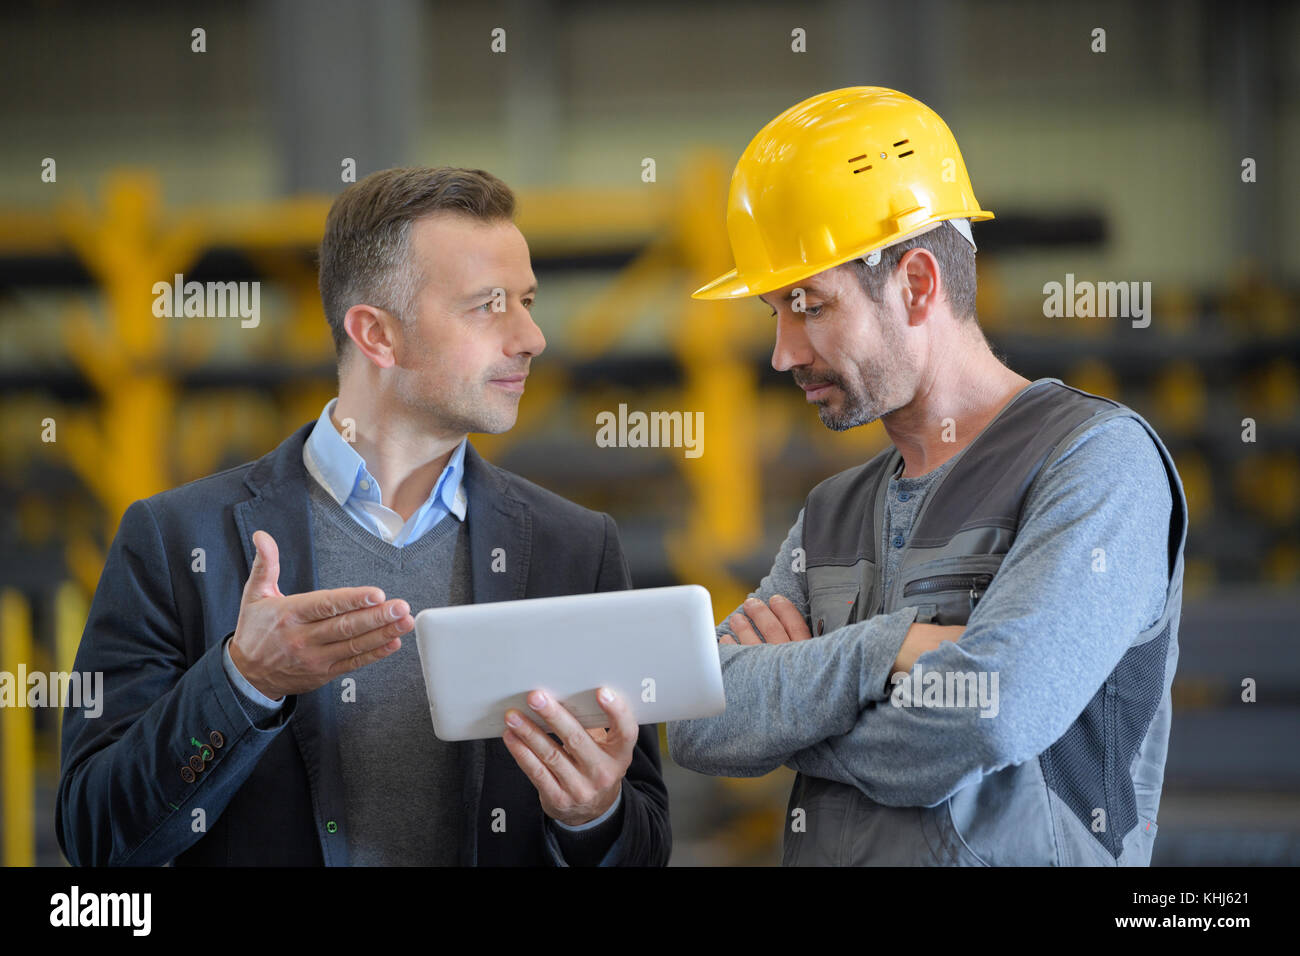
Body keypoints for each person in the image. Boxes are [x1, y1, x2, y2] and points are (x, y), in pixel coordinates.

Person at [57, 166, 671, 867]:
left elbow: (645, 842)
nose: (531, 336)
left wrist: (594, 817)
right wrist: (242, 683)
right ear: (377, 335)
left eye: (527, 301)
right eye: (488, 306)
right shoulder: (174, 541)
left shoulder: (576, 547)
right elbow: (96, 836)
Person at [668, 87, 1188, 866]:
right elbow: (702, 722)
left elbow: (994, 713)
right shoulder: (833, 512)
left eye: (807, 304)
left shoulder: (1094, 463)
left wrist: (799, 706)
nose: (782, 353)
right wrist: (893, 648)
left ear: (915, 283)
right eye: (774, 311)